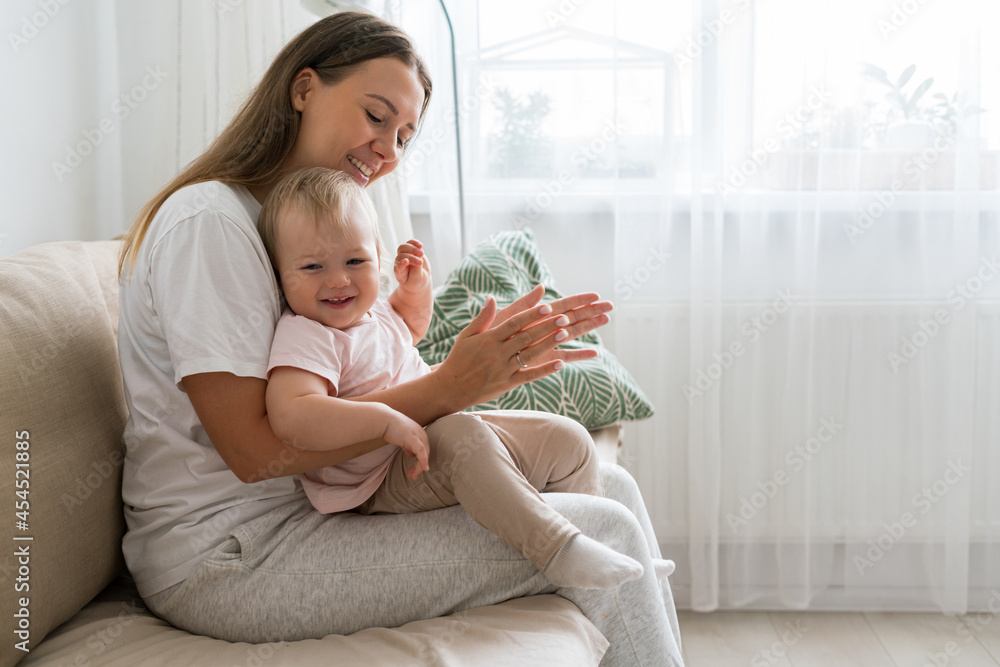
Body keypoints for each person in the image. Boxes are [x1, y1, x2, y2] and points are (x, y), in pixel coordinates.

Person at [116, 10, 683, 665]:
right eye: (377, 115)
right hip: (230, 556)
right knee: (603, 522)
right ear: (303, 90)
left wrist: (481, 365)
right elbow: (253, 452)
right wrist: (450, 386)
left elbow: (359, 369)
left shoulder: (295, 231)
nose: (388, 149)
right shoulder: (210, 224)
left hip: (321, 508)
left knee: (612, 488)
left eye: (406, 136)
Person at [258, 166, 670, 590]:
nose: (338, 279)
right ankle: (558, 551)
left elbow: (411, 328)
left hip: (428, 443)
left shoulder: (374, 312)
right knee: (460, 435)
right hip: (373, 479)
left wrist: (415, 291)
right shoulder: (305, 334)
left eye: (354, 261)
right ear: (278, 275)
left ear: (378, 258)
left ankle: (609, 547)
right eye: (312, 266)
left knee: (568, 438)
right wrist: (384, 420)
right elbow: (292, 415)